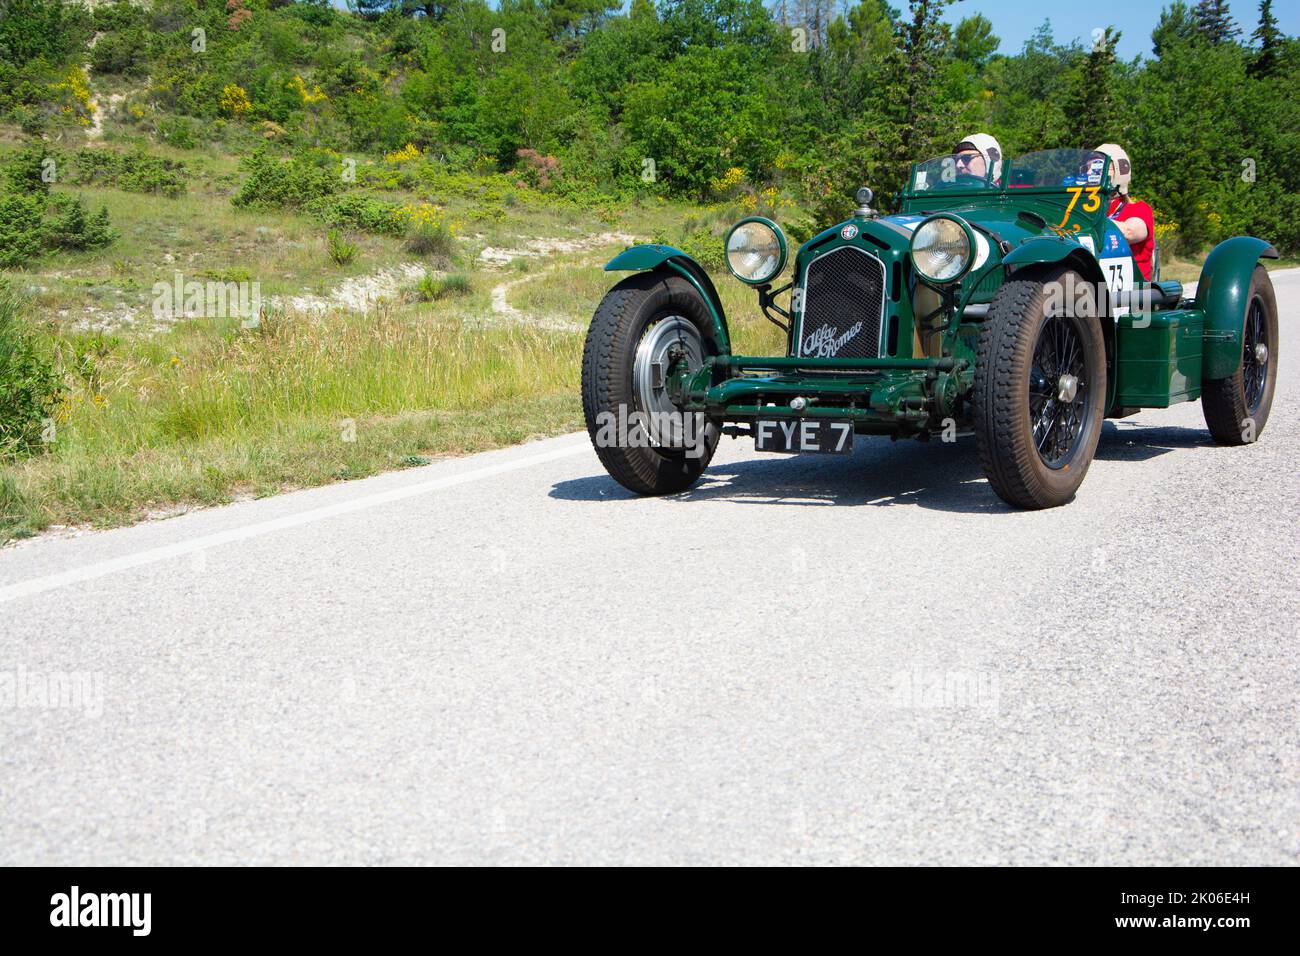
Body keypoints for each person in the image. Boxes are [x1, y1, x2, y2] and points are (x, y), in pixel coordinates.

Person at [1094, 143, 1156, 280]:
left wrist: (1088, 219)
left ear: (1119, 172)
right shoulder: (1085, 208)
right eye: (1088, 167)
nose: (1089, 172)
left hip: (1134, 289)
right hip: (1094, 285)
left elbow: (1129, 232)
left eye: (1099, 167)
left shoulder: (1139, 209)